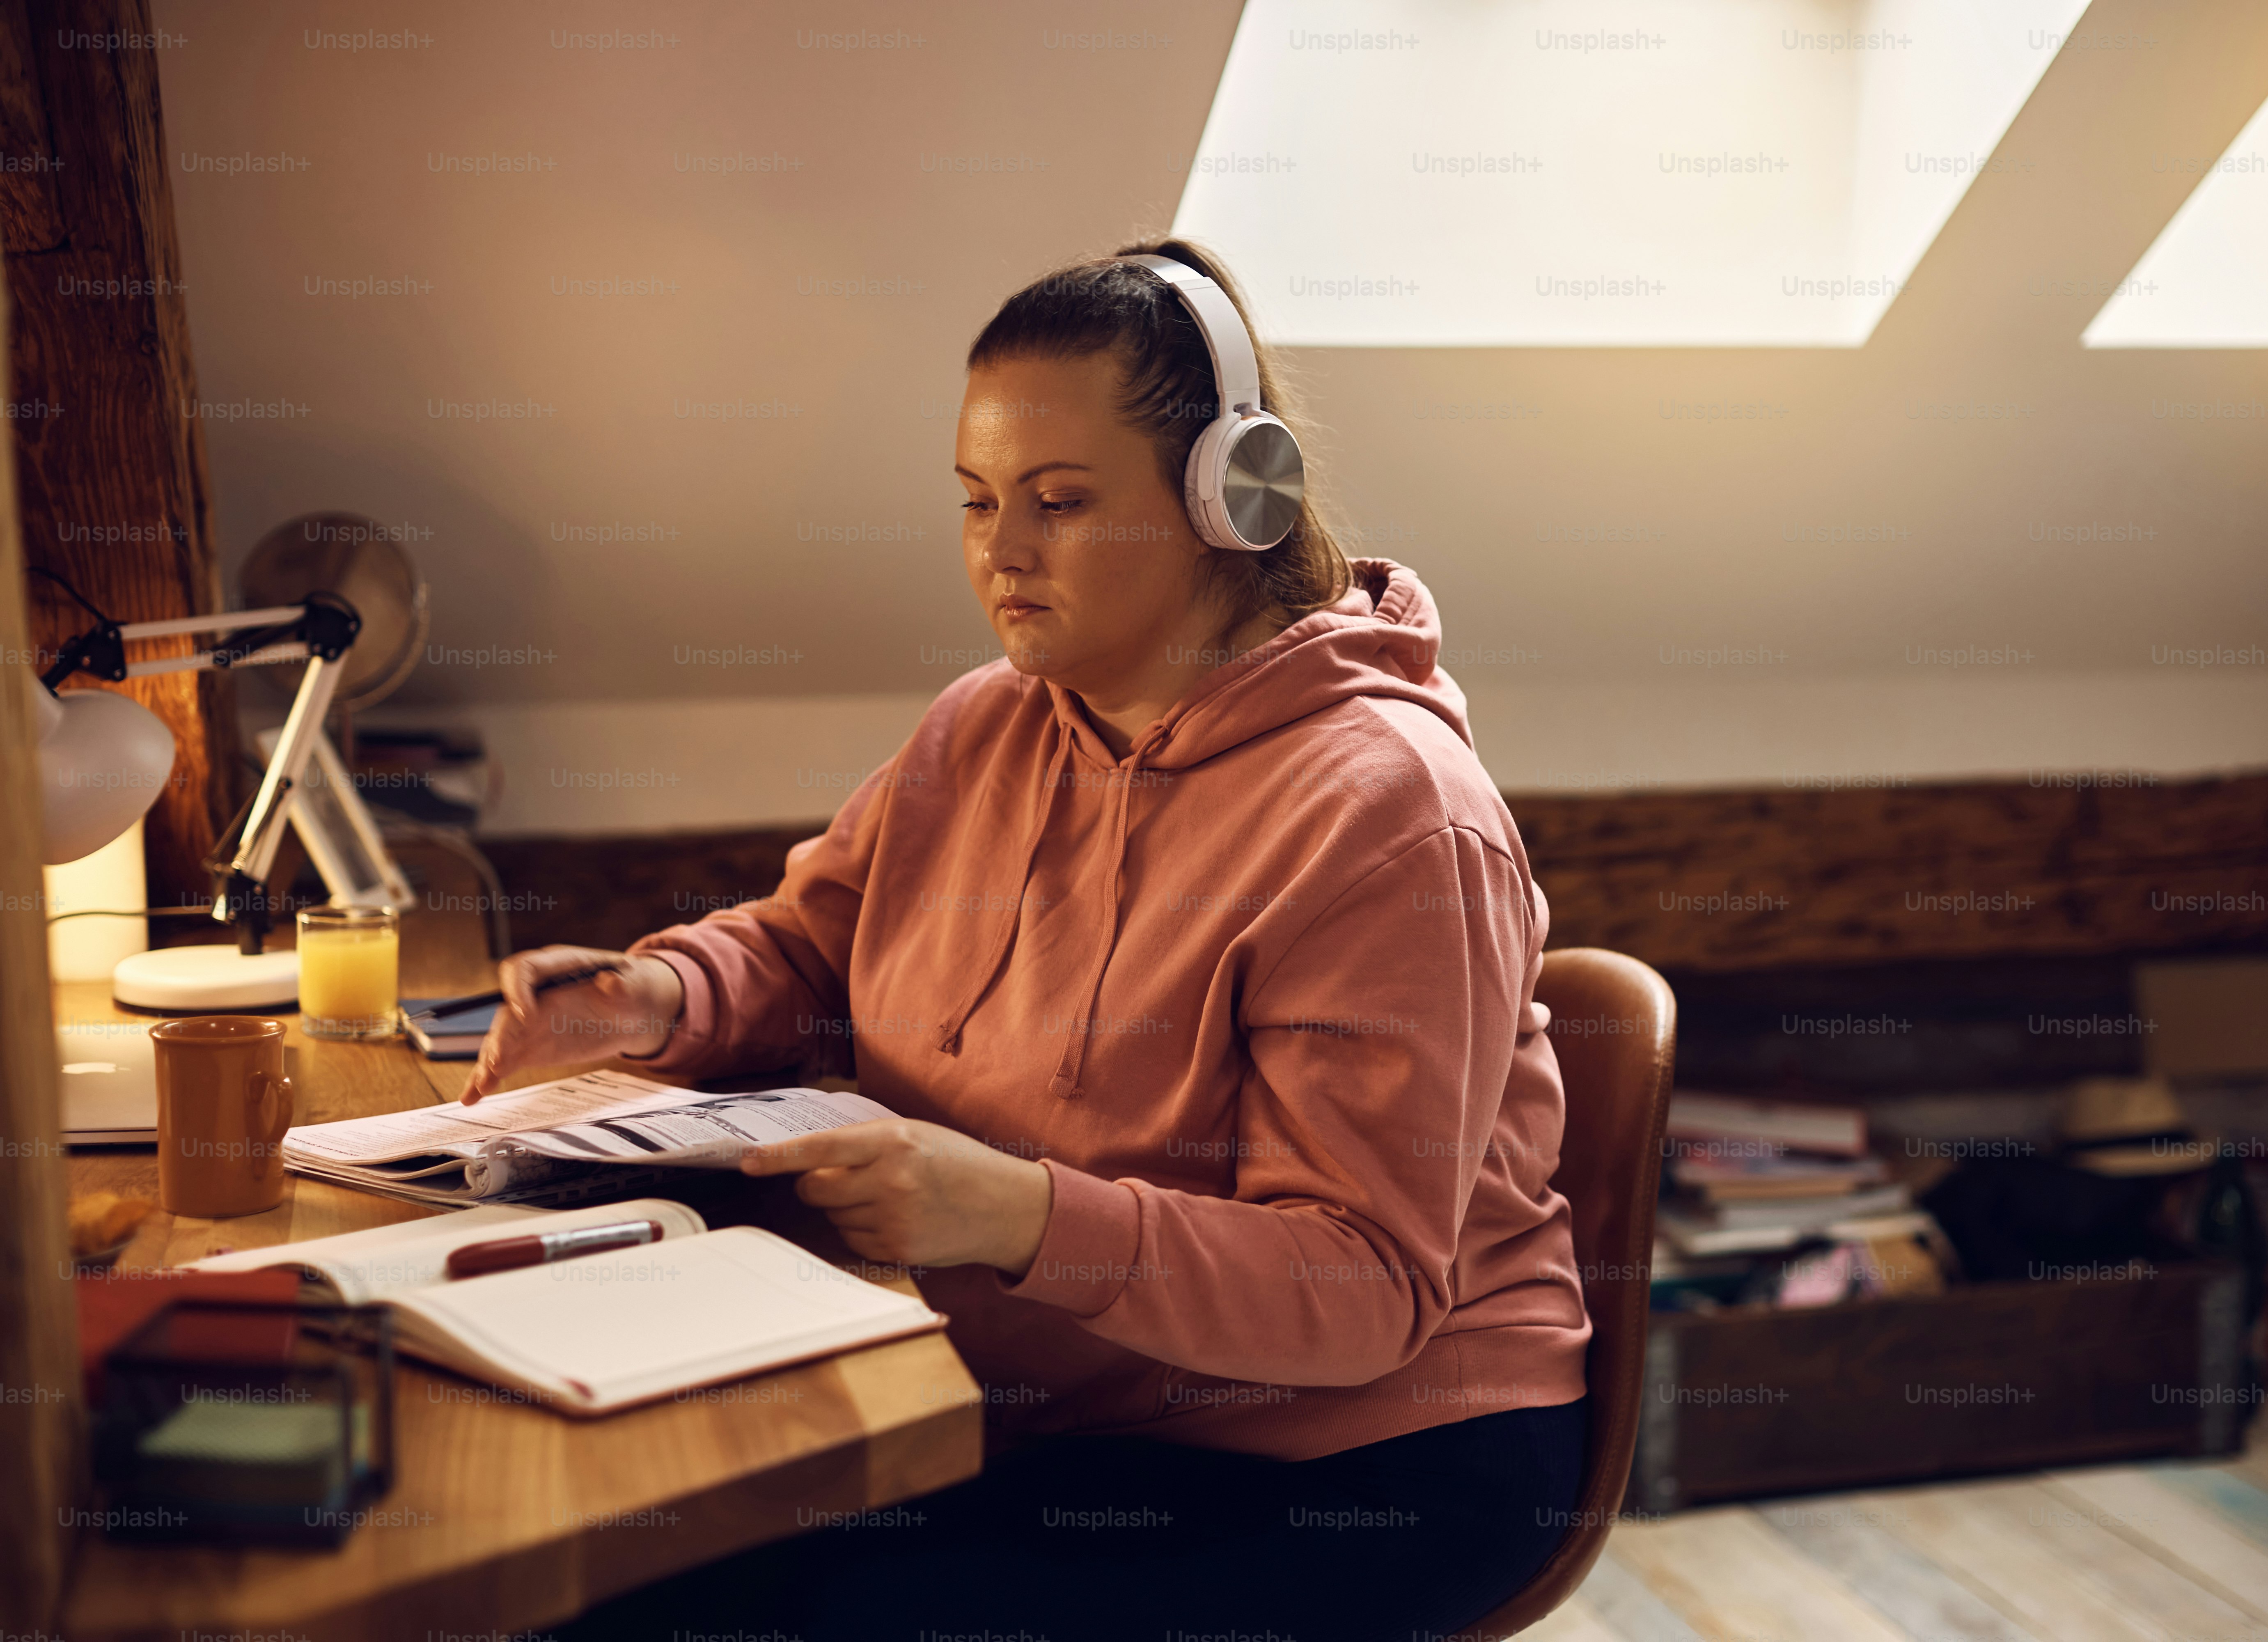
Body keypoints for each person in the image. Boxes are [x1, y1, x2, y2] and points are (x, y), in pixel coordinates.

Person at [474, 239, 1591, 1642]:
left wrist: (1009, 1211)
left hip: (1358, 1452)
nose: (1001, 554)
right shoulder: (984, 723)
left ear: (1231, 500)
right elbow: (811, 956)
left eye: (1060, 502)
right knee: (621, 1558)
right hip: (1040, 1391)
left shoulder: (1389, 820)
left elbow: (1363, 1288)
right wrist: (654, 998)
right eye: (977, 501)